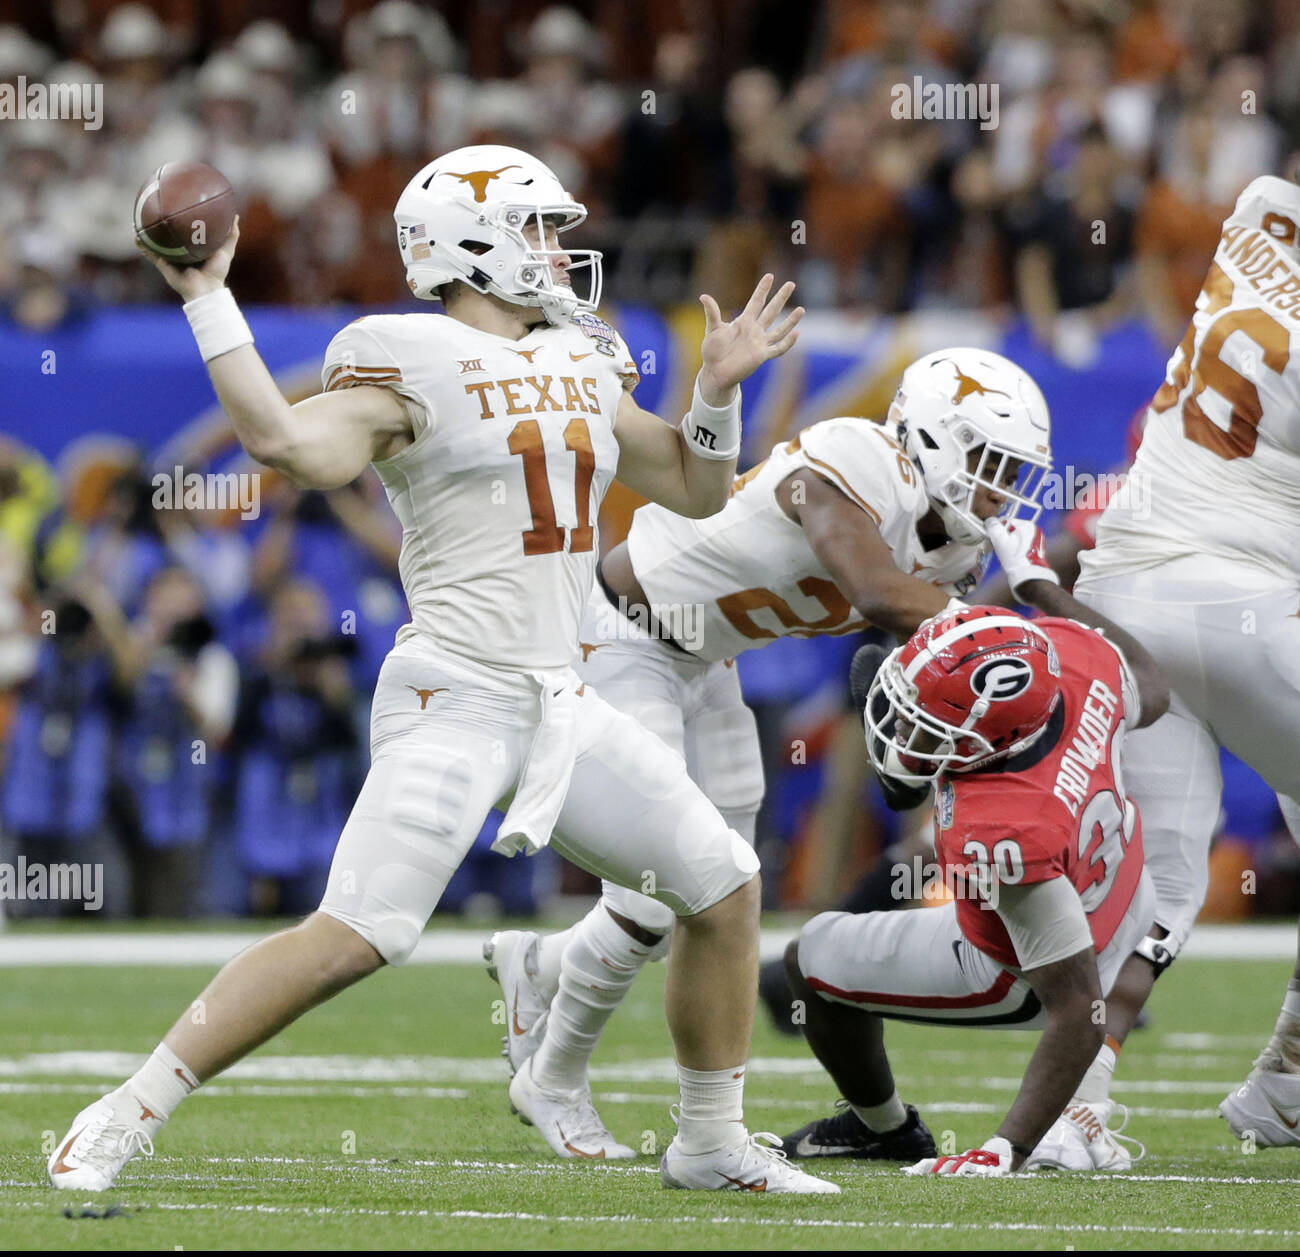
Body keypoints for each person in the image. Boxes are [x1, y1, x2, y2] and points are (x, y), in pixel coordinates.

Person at [47, 143, 838, 1197]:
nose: (561, 251)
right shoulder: (405, 356)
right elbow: (286, 442)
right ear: (477, 243)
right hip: (455, 690)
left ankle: (708, 1140)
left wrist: (716, 390)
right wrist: (207, 296)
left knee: (725, 887)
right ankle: (127, 1107)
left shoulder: (580, 358)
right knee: (356, 935)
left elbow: (695, 487)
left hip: (562, 698)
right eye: (541, 228)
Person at [486, 347, 1055, 1158]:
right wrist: (1013, 630)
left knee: (724, 888)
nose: (1000, 492)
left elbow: (928, 645)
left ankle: (541, 968)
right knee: (657, 886)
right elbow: (873, 590)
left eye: (1014, 473)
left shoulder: (951, 548)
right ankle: (552, 1076)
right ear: (932, 437)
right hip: (617, 635)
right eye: (990, 464)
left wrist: (1028, 598)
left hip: (705, 659)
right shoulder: (858, 457)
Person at [780, 520, 1169, 1174]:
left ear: (989, 740)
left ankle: (883, 1130)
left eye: (927, 726)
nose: (907, 732)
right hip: (1129, 888)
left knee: (808, 956)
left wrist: (1003, 1150)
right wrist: (1044, 590)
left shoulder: (1006, 830)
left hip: (1021, 961)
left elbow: (1078, 1011)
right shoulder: (1071, 657)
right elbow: (1152, 688)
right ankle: (1075, 1117)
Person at [1072, 173, 1300, 1151]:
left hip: (1119, 589)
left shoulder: (1258, 206)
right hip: (1233, 600)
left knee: (1157, 892)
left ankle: (1071, 1112)